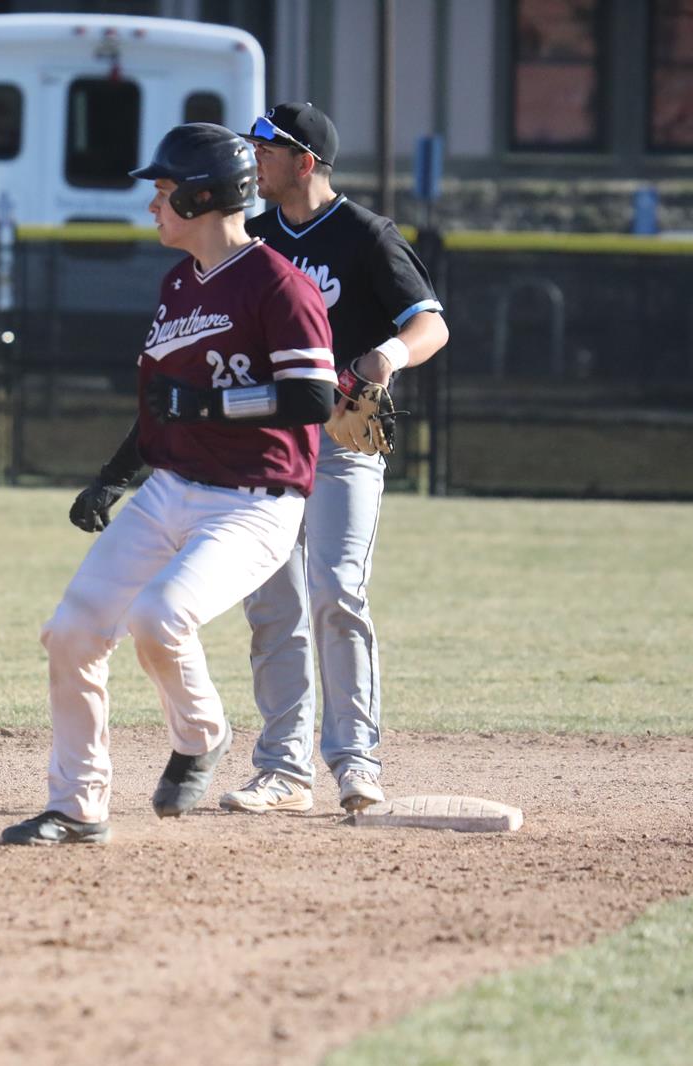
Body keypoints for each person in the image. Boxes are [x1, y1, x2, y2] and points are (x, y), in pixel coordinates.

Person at [1, 122, 337, 846]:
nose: (152, 206)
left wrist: (212, 406)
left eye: (163, 192)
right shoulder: (180, 282)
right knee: (73, 632)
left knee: (159, 617)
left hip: (255, 503)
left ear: (204, 195)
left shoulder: (280, 283)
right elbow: (162, 404)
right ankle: (77, 805)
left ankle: (202, 734)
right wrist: (112, 479)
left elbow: (312, 399)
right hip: (170, 491)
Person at [217, 102, 449, 816]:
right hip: (264, 446)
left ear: (305, 162)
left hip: (344, 445)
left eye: (268, 147)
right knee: (271, 601)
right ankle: (284, 771)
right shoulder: (250, 238)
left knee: (337, 592)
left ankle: (355, 763)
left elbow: (431, 325)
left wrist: (388, 354)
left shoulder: (366, 237)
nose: (256, 158)